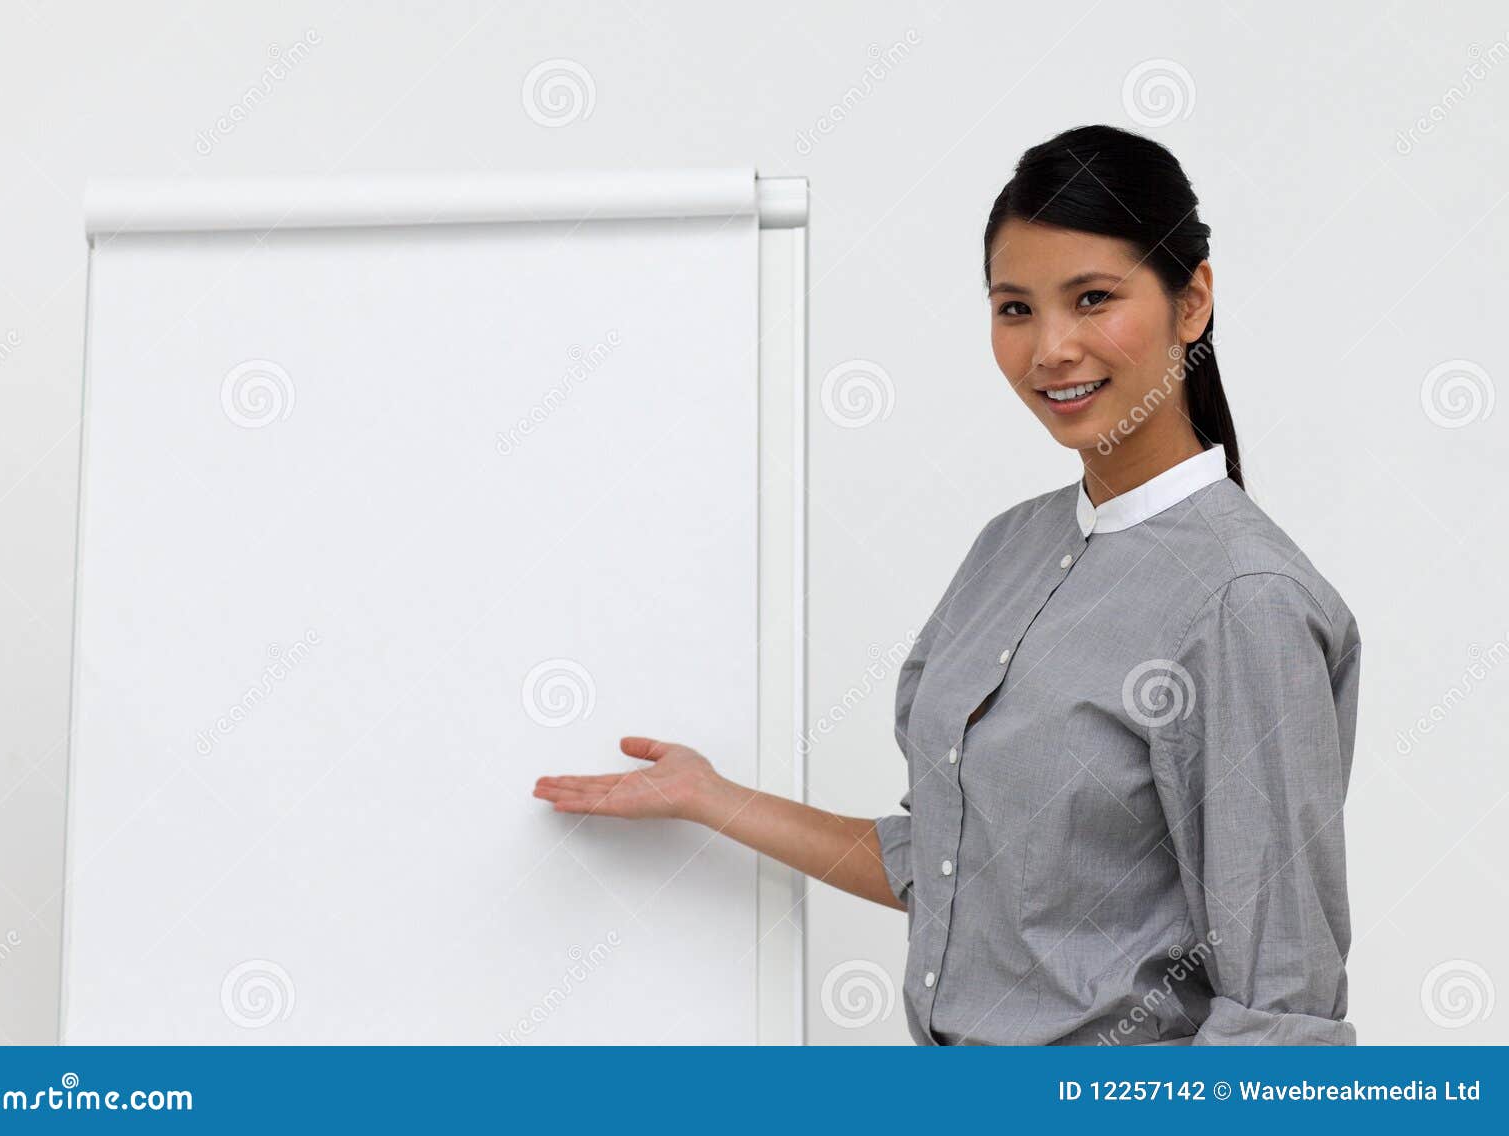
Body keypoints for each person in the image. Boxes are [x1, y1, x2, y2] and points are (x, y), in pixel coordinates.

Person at [533, 124, 1360, 1046]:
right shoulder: (1010, 547)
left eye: (1093, 298)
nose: (1050, 348)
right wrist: (710, 795)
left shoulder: (1246, 600)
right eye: (1015, 309)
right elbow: (947, 864)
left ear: (1192, 301)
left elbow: (1282, 1011)